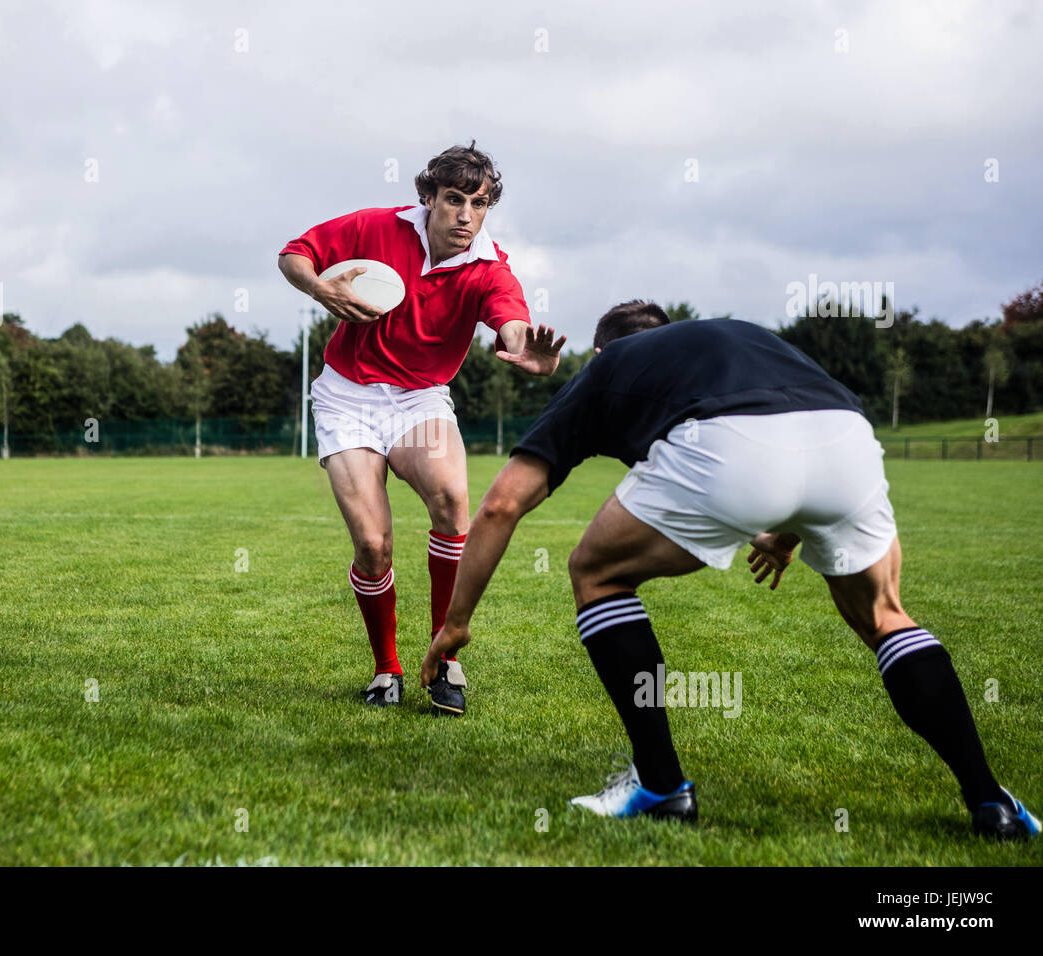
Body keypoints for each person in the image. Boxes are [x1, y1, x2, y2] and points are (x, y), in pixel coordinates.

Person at [421, 300, 1038, 839]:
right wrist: (786, 527)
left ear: (606, 347)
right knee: (885, 615)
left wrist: (456, 625)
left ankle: (661, 787)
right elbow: (793, 431)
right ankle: (992, 800)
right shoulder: (740, 337)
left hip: (731, 447)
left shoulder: (610, 363)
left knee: (597, 573)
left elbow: (502, 505)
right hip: (845, 437)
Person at [278, 142, 566, 712]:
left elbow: (510, 320)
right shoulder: (377, 227)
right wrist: (319, 287)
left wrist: (527, 349)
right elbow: (294, 252)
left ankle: (445, 659)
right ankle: (387, 669)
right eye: (454, 199)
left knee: (452, 501)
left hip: (419, 400)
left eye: (479, 203)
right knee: (373, 543)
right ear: (427, 198)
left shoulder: (487, 268)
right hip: (346, 396)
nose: (465, 215)